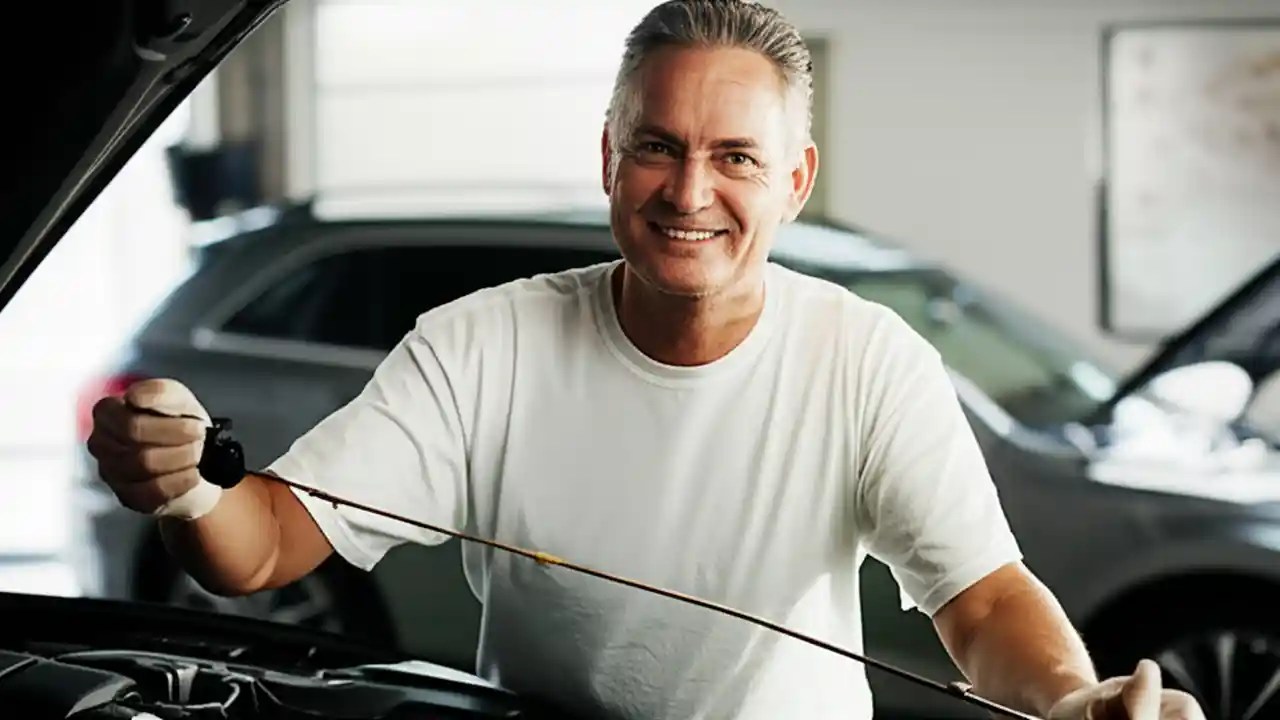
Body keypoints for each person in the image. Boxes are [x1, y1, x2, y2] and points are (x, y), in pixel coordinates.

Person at [87, 1, 1204, 719]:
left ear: (794, 180)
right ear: (610, 158)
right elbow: (268, 540)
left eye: (733, 157)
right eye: (658, 148)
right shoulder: (483, 343)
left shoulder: (867, 359)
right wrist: (184, 484)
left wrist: (1070, 701)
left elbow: (980, 598)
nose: (688, 191)